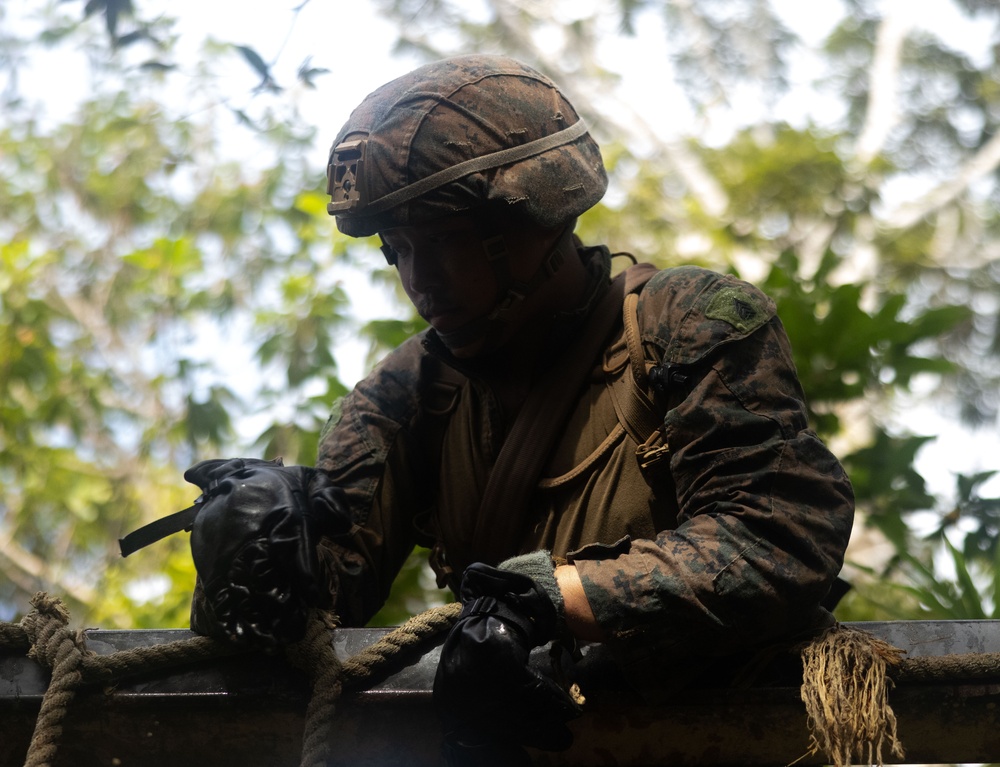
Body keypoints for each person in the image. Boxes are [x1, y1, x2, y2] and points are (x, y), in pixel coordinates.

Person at [129, 54, 854, 764]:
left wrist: (548, 597)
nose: (419, 278)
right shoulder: (406, 397)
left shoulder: (684, 323)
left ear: (534, 221)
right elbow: (320, 610)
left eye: (444, 242)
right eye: (398, 248)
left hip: (736, 736)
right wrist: (253, 556)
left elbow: (779, 541)